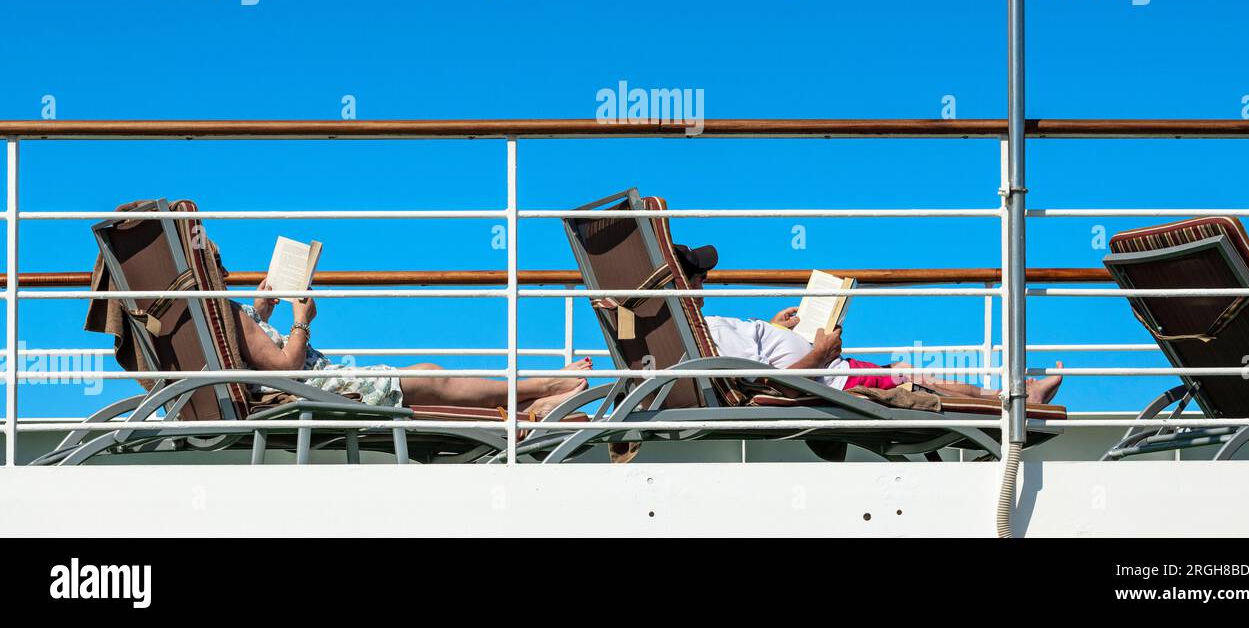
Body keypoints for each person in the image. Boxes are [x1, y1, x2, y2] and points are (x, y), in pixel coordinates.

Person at [673, 243, 1062, 403]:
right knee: (911, 379)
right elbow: (769, 384)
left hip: (834, 373)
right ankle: (1011, 399)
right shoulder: (712, 333)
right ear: (682, 284)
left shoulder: (704, 329)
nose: (704, 279)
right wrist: (822, 352)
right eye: (697, 275)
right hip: (835, 380)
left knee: (907, 373)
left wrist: (775, 329)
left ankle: (1007, 397)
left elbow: (758, 364)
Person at [231, 280, 591, 415]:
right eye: (217, 264)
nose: (225, 270)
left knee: (425, 386)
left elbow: (259, 357)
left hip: (318, 386)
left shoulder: (228, 312)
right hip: (313, 390)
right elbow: (285, 369)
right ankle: (539, 387)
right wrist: (301, 320)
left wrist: (260, 313)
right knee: (430, 378)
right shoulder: (227, 310)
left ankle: (530, 409)